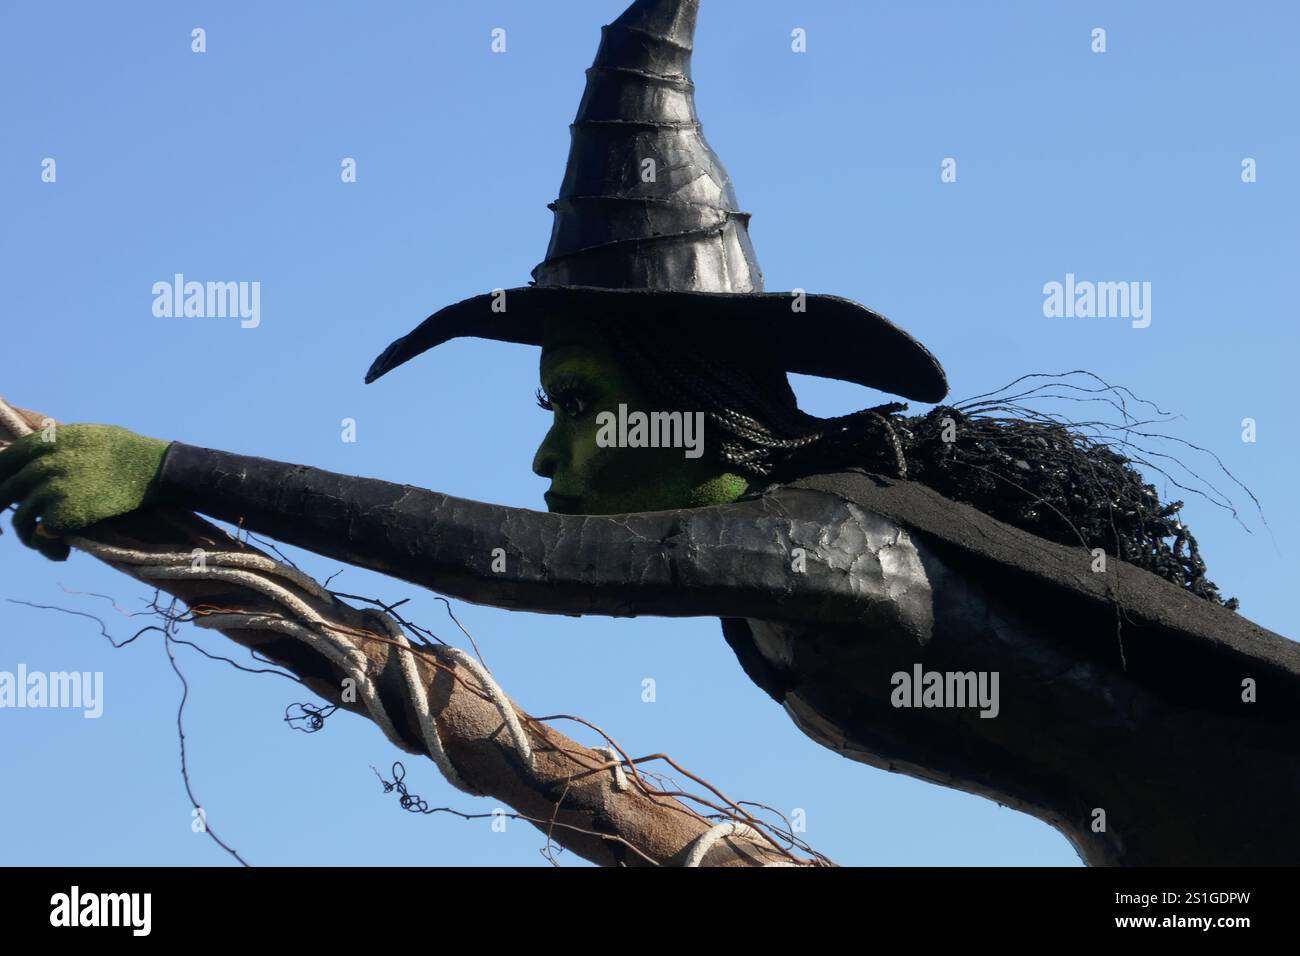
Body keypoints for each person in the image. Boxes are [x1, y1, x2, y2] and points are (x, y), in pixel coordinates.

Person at [3, 0, 1296, 865]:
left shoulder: (830, 548)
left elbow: (506, 558)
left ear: (692, 405)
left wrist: (170, 467)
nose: (546, 457)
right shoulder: (798, 571)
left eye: (573, 405)